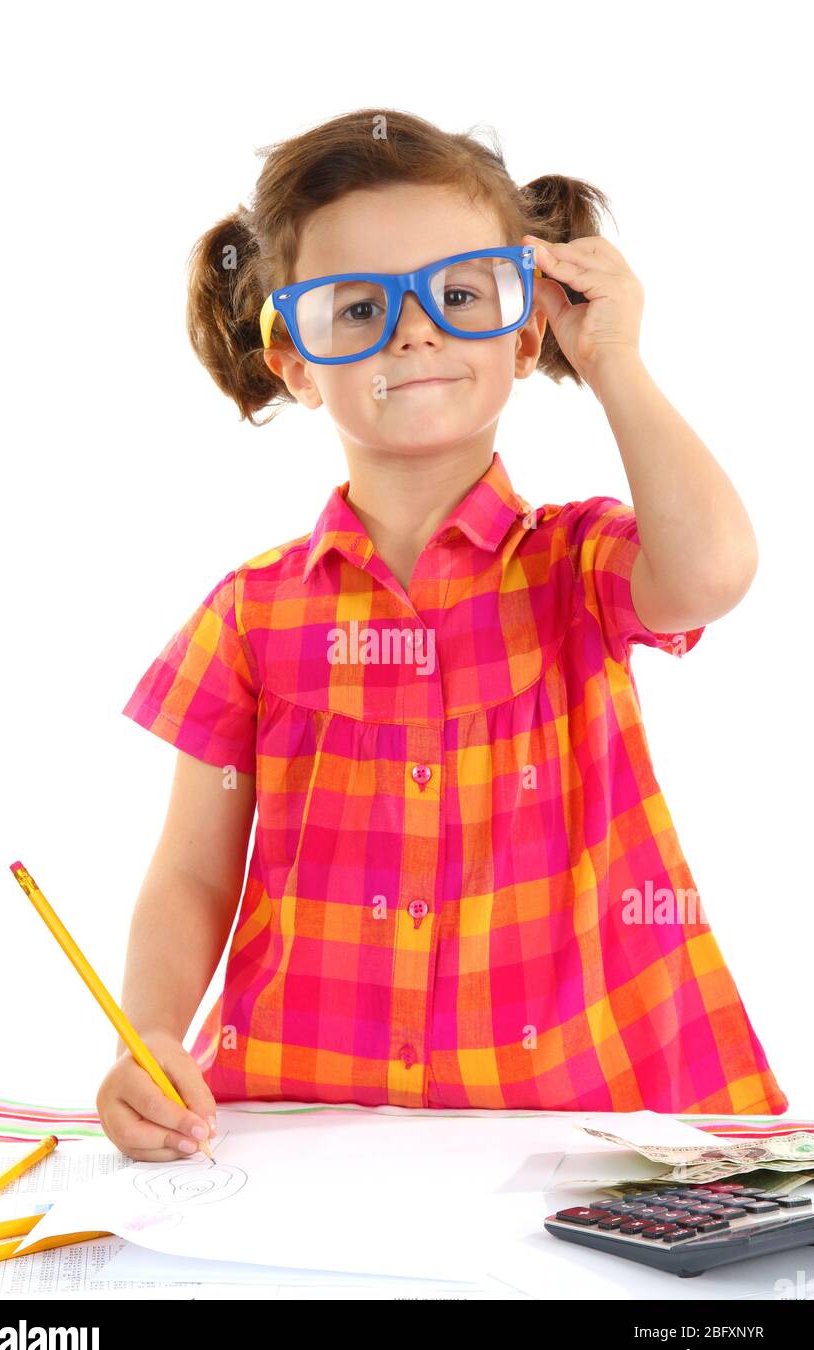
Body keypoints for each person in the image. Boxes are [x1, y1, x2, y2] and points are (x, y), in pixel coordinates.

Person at [97, 107, 787, 1162]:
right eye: (357, 306)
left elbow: (710, 573)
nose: (413, 329)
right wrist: (146, 1033)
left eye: (458, 294)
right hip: (305, 1134)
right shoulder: (250, 612)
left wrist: (611, 362)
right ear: (291, 356)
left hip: (576, 1129)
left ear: (522, 331)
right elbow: (192, 872)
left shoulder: (577, 565)